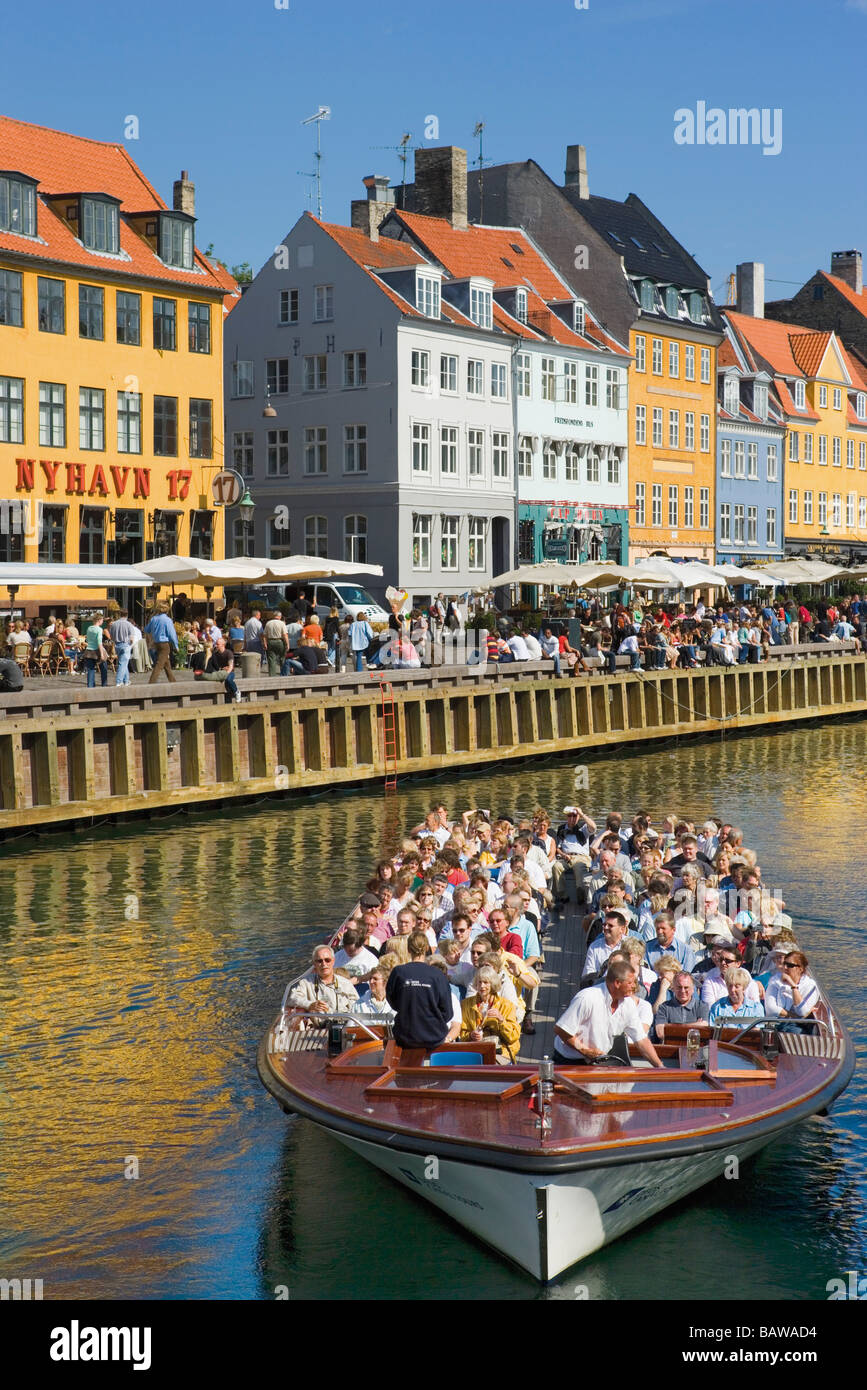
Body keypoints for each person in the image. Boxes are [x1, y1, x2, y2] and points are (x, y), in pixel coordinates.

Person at [554, 960, 665, 1066]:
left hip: (597, 1061)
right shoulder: (587, 998)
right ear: (617, 983)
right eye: (630, 982)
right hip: (568, 1061)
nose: (635, 986)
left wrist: (660, 1067)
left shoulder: (628, 1004)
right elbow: (561, 1030)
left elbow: (641, 1040)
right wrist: (584, 1050)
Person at [386, 936, 458, 1050]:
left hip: (405, 1036)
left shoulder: (398, 972)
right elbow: (447, 1011)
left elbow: (392, 1001)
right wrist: (432, 1021)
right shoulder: (438, 975)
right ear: (426, 949)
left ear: (408, 949)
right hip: (434, 1037)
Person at [459, 965, 521, 1054]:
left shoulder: (507, 1005)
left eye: (485, 982)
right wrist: (471, 1035)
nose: (482, 986)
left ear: (493, 984)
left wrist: (501, 1020)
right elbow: (461, 1033)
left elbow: (513, 1036)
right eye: (479, 982)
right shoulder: (466, 1004)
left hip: (500, 1051)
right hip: (474, 1050)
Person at [287, 945, 359, 1015]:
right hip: (316, 1026)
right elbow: (292, 999)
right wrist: (310, 1005)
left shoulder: (345, 983)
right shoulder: (305, 982)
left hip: (342, 1023)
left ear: (333, 961)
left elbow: (357, 1005)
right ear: (314, 964)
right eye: (319, 961)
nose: (324, 964)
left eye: (327, 960)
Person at [651, 971, 709, 1041]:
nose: (682, 991)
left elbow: (704, 1028)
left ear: (693, 989)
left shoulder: (702, 1006)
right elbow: (660, 1033)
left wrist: (670, 1027)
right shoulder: (664, 1007)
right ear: (673, 988)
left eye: (686, 987)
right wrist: (695, 1026)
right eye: (679, 987)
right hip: (671, 1049)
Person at [763, 951, 820, 1021]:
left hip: (796, 1025)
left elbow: (802, 1012)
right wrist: (794, 1017)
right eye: (784, 964)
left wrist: (793, 986)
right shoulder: (775, 981)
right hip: (775, 1022)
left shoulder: (810, 986)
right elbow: (771, 1009)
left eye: (790, 965)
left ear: (800, 969)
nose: (785, 967)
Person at [145, 606, 178, 684]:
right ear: (167, 611)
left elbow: (147, 629)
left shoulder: (154, 619)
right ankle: (151, 682)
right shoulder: (167, 620)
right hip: (164, 644)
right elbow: (171, 634)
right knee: (159, 664)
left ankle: (173, 681)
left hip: (156, 643)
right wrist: (175, 645)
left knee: (166, 663)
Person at [109, 609, 136, 687]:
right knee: (123, 663)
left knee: (124, 663)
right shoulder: (129, 624)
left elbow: (111, 636)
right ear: (127, 615)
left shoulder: (114, 624)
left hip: (117, 645)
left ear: (120, 614)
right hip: (125, 644)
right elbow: (131, 638)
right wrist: (130, 645)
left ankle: (126, 681)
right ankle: (119, 681)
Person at [83, 612, 109, 688]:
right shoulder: (99, 629)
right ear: (99, 620)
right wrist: (101, 654)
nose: (103, 621)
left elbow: (87, 639)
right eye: (102, 620)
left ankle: (90, 687)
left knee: (90, 670)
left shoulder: (89, 628)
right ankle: (104, 685)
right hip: (97, 651)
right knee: (103, 669)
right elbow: (99, 642)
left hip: (89, 651)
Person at [263, 610, 290, 677]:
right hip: (280, 641)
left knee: (271, 660)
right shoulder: (282, 623)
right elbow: (285, 635)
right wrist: (287, 644)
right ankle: (283, 674)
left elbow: (264, 635)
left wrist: (265, 643)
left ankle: (272, 676)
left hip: (270, 641)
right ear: (279, 616)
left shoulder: (268, 623)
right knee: (282, 658)